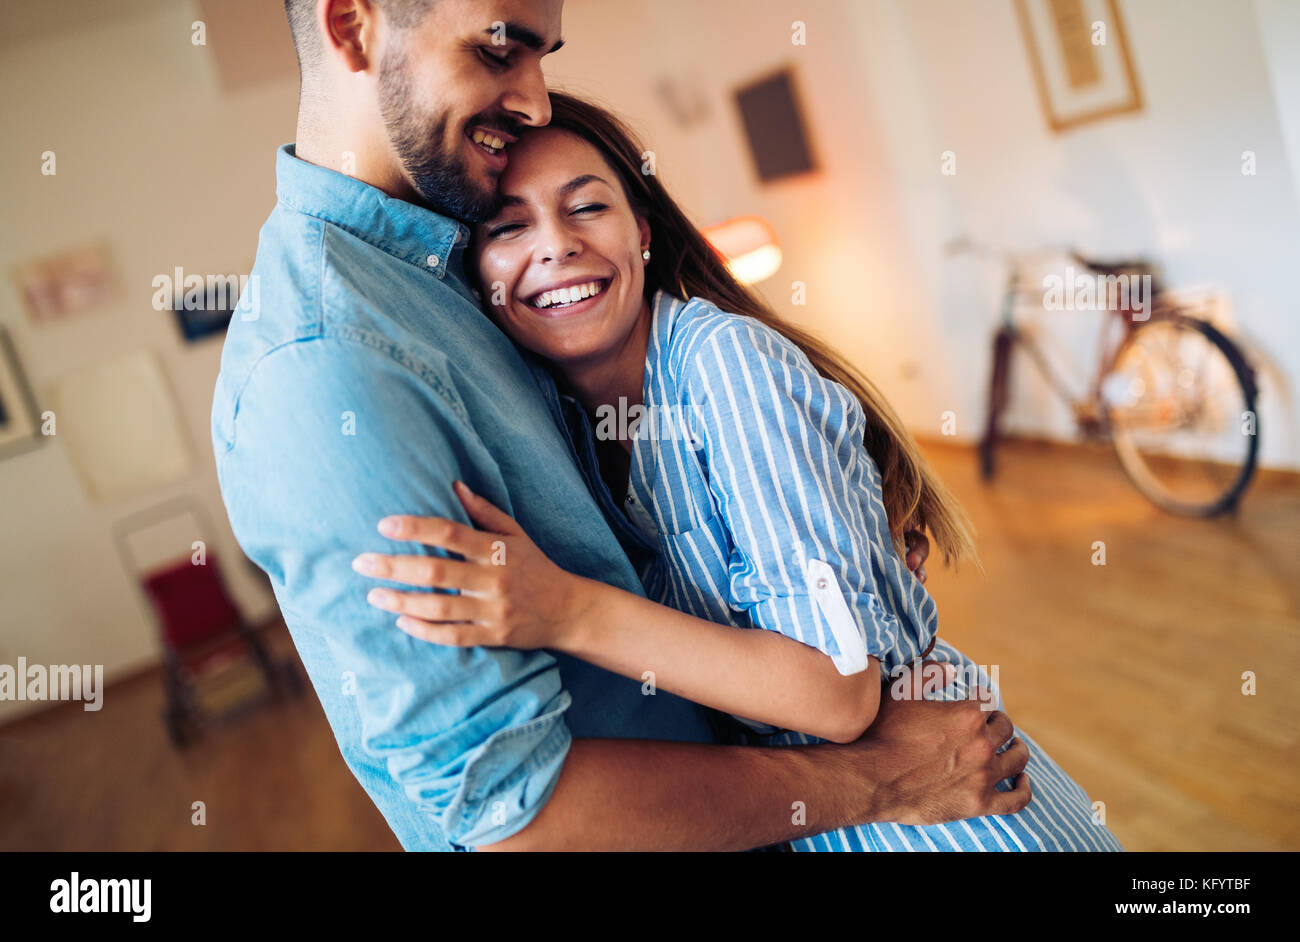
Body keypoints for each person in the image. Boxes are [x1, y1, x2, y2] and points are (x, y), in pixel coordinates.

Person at [214, 0, 1033, 851]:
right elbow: (515, 817)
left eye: (544, 57)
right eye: (501, 49)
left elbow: (821, 663)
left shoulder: (446, 279)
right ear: (350, 25)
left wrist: (833, 527)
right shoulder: (327, 363)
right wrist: (877, 778)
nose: (534, 99)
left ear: (640, 229)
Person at [355, 92, 1123, 851]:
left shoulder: (726, 363)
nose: (554, 246)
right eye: (510, 227)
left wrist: (563, 609)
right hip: (816, 812)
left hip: (934, 805)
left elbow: (837, 690)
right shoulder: (561, 425)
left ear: (643, 232)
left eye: (587, 208)